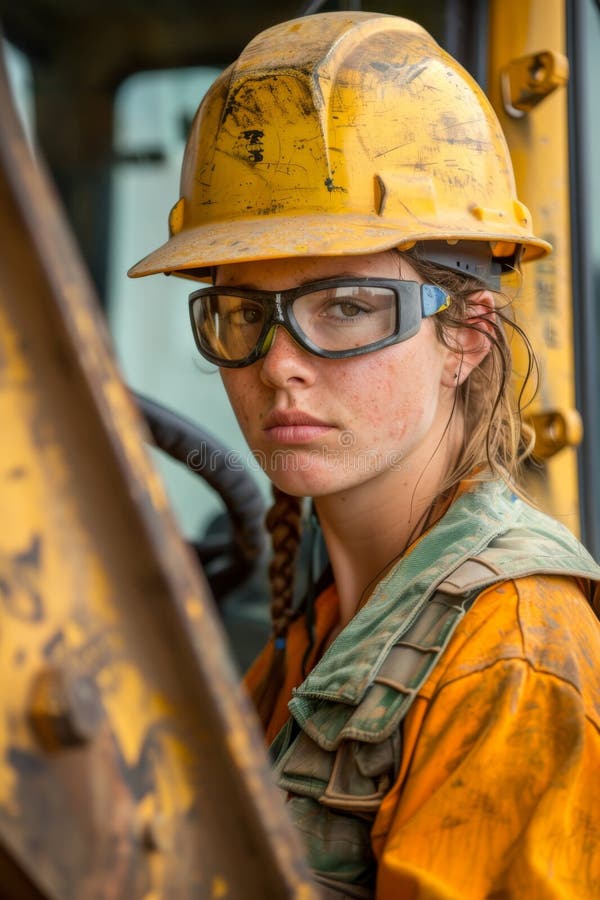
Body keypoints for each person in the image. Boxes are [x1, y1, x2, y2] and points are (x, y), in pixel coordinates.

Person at [129, 11, 600, 898]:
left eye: (345, 306)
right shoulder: (329, 613)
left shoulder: (514, 665)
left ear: (465, 335)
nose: (277, 365)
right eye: (243, 314)